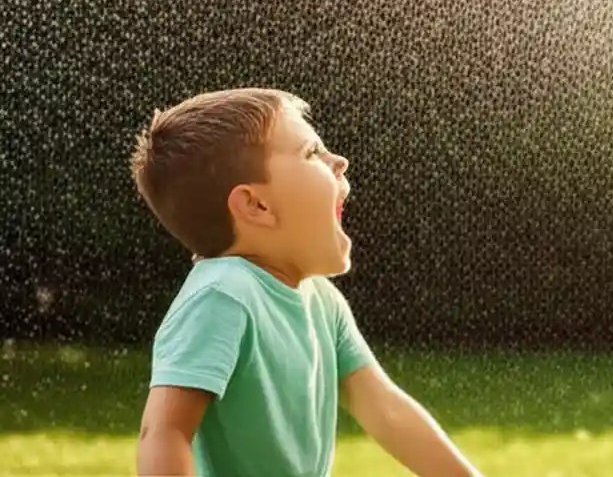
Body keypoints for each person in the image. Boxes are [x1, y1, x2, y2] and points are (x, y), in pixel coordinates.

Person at [131, 87, 481, 476]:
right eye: (312, 152)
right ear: (256, 206)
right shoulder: (223, 294)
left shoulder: (321, 300)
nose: (340, 161)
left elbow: (387, 410)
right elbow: (164, 431)